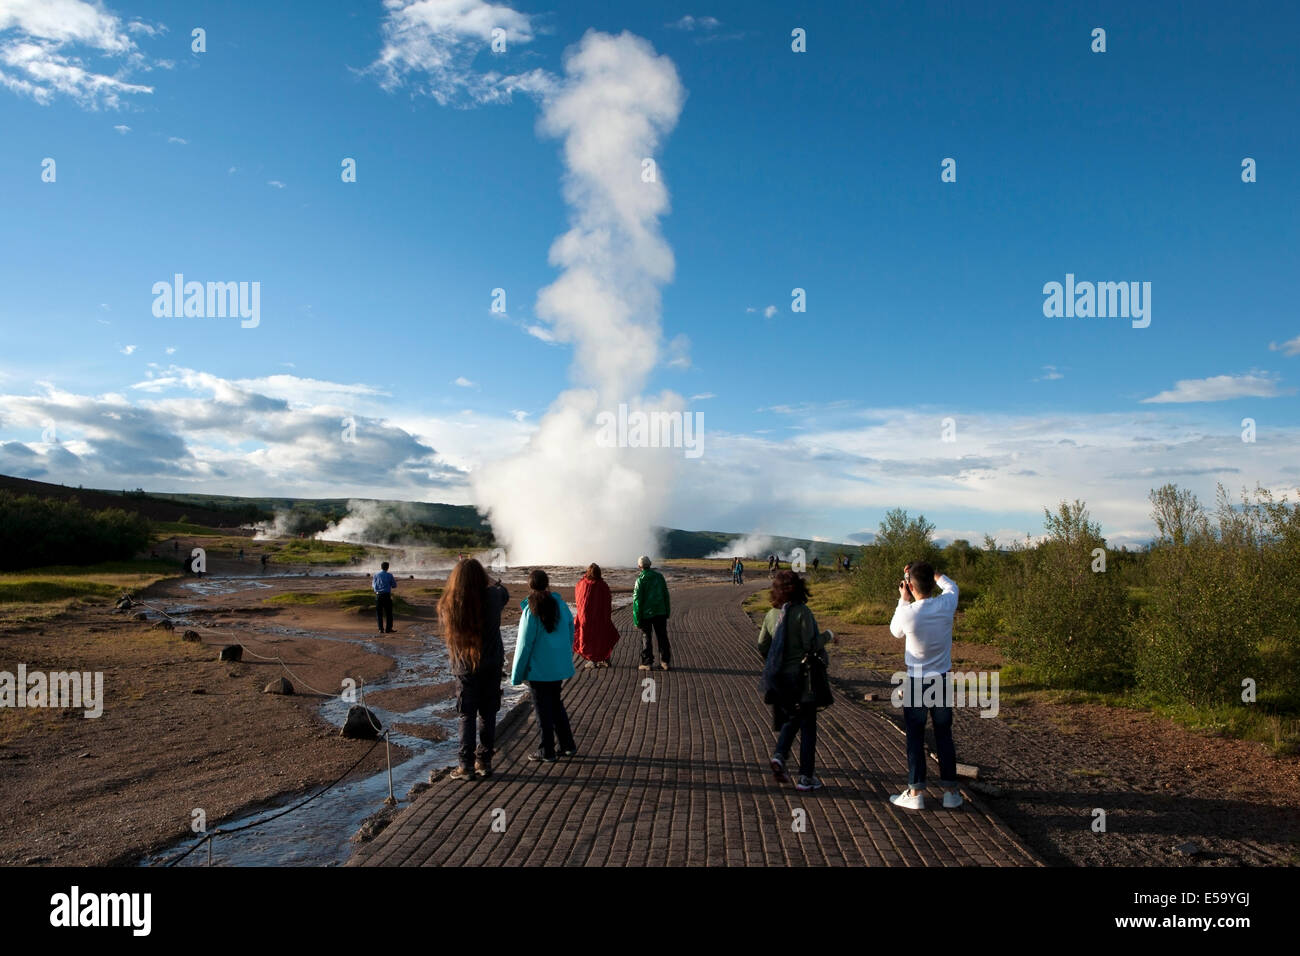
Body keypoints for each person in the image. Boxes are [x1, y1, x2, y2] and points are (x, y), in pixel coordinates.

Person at [888, 561, 962, 810]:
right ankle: (951, 792)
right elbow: (951, 586)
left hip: (916, 681)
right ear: (931, 582)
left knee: (915, 736)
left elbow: (895, 632)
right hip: (941, 679)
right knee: (944, 736)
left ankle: (916, 791)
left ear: (909, 585)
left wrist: (902, 599)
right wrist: (934, 573)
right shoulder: (946, 604)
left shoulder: (907, 612)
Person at [758, 569, 830, 792]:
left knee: (792, 718)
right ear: (799, 588)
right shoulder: (802, 612)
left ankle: (779, 756)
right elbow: (810, 644)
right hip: (804, 678)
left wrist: (774, 660)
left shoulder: (771, 615)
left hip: (780, 679)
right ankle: (805, 778)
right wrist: (828, 636)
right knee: (808, 726)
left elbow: (762, 645)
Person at [438, 559, 509, 780]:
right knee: (488, 713)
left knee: (466, 715)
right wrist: (487, 577)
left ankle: (465, 766)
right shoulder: (494, 598)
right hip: (492, 664)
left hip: (464, 667)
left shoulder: (450, 602)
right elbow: (503, 591)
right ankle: (484, 762)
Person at [510, 569, 577, 762]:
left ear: (530, 585)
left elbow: (524, 645)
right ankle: (567, 745)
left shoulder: (530, 610)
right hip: (557, 668)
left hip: (538, 671)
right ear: (547, 584)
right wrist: (565, 655)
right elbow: (571, 629)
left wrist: (517, 674)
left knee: (542, 711)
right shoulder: (561, 605)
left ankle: (546, 751)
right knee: (556, 705)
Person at [574, 563, 619, 668]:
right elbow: (608, 601)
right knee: (602, 637)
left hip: (586, 618)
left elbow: (580, 601)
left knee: (589, 639)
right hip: (601, 617)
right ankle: (605, 659)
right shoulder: (602, 585)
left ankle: (593, 660)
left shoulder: (582, 584)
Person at [632, 555, 671, 671]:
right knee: (662, 636)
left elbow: (637, 601)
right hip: (660, 612)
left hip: (646, 614)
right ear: (650, 564)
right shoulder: (659, 577)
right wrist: (667, 611)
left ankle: (647, 663)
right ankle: (665, 662)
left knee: (646, 637)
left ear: (639, 566)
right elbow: (665, 595)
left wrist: (637, 619)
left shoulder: (640, 580)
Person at [373, 561, 397, 634]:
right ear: (387, 568)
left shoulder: (376, 575)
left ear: (381, 567)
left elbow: (374, 586)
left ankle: (381, 629)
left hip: (378, 595)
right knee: (389, 613)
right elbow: (394, 585)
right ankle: (388, 629)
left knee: (379, 613)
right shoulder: (389, 575)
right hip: (386, 595)